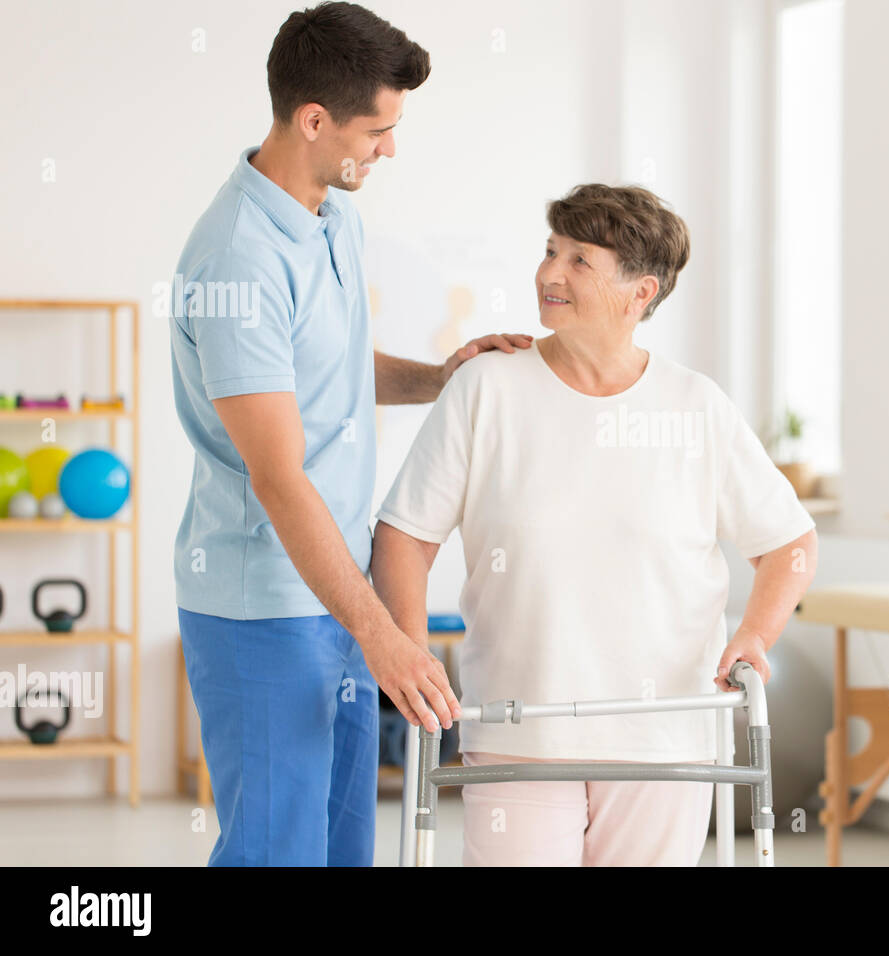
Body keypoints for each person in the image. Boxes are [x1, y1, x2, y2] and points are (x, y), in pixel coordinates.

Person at [169, 1, 531, 866]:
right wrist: (381, 633)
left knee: (342, 848)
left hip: (337, 594)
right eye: (378, 129)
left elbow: (327, 367)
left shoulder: (335, 219)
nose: (389, 149)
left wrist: (440, 379)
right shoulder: (239, 259)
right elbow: (279, 476)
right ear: (314, 119)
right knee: (276, 852)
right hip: (266, 604)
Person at [371, 183, 819, 866]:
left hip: (665, 736)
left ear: (641, 292)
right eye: (551, 250)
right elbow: (405, 533)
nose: (550, 273)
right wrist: (408, 648)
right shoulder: (486, 387)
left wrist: (755, 637)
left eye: (580, 260)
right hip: (520, 730)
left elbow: (788, 542)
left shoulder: (695, 407)